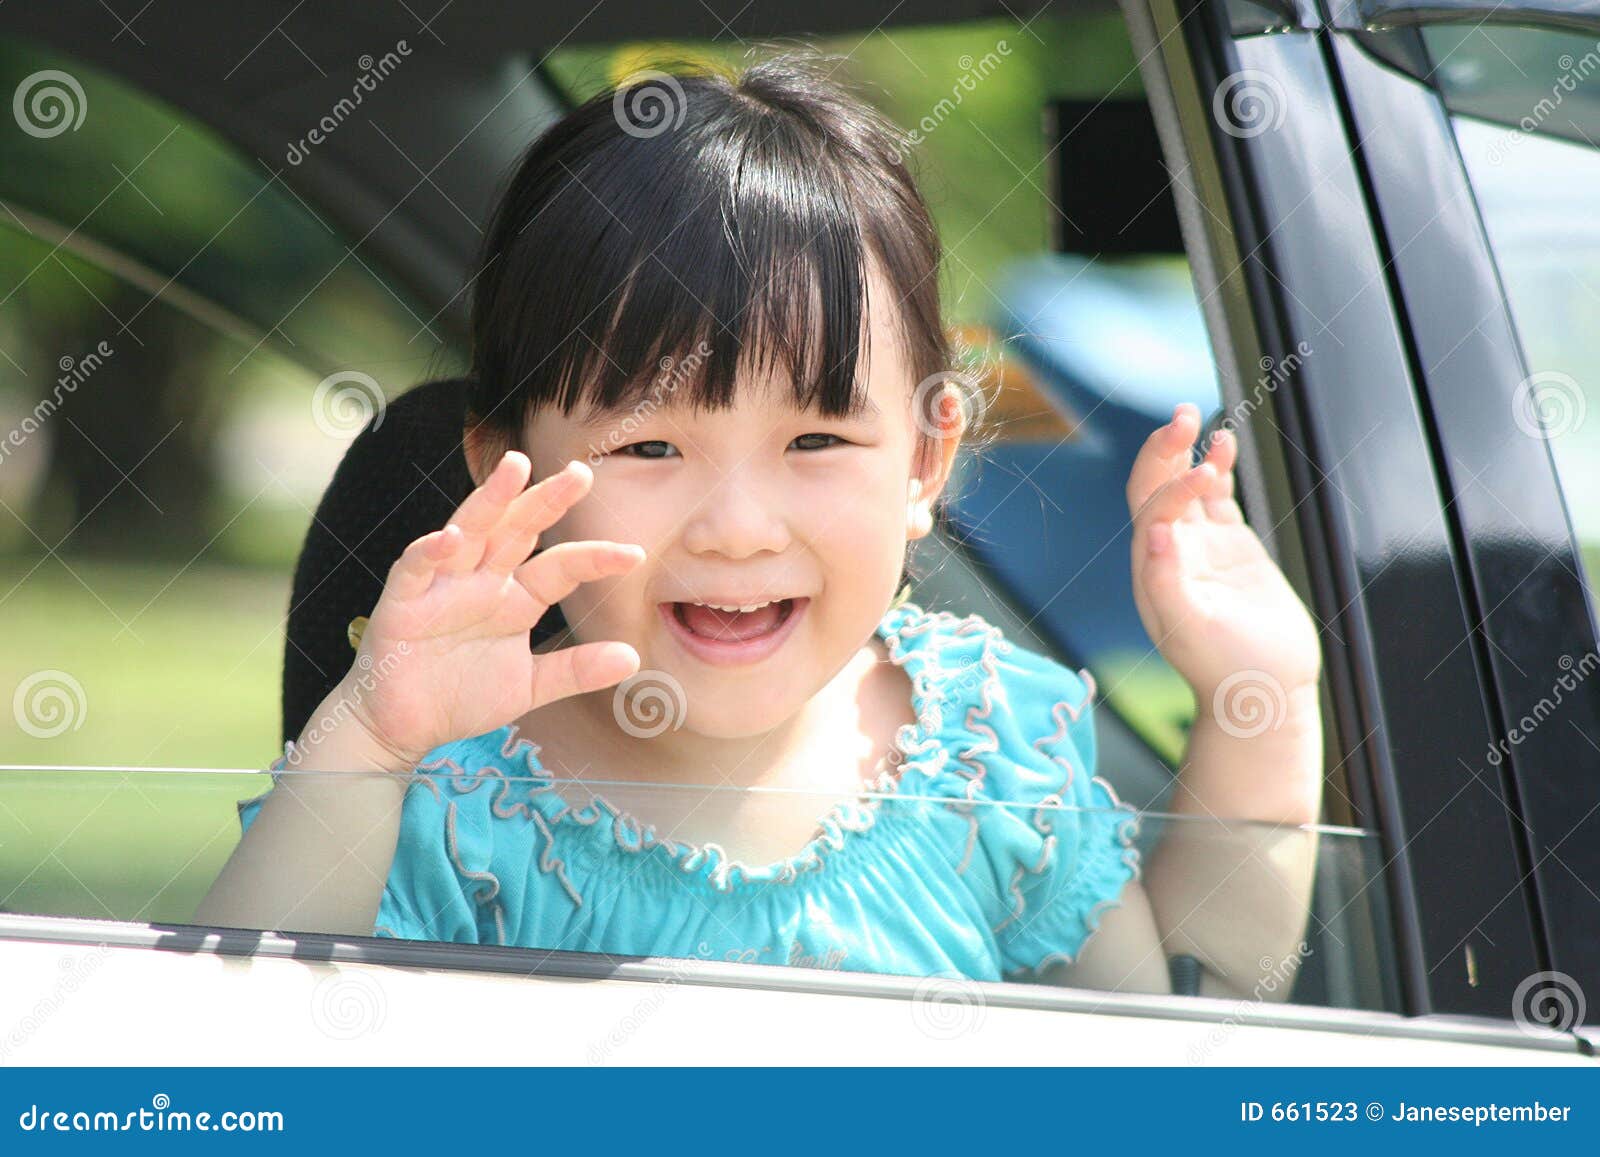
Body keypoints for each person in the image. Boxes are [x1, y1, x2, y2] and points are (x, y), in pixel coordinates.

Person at [196, 51, 1323, 996]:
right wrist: (370, 743)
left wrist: (1258, 703)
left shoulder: (991, 754)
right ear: (509, 470)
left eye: (816, 442)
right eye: (648, 447)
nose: (737, 529)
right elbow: (231, 1054)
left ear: (926, 455)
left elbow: (1176, 1054)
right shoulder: (462, 811)